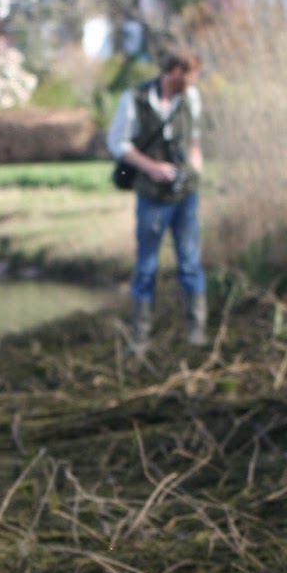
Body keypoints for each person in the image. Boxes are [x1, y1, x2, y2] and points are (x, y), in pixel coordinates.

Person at [107, 49, 207, 351]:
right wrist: (152, 168)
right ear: (176, 71)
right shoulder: (135, 98)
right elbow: (118, 143)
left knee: (190, 263)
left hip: (185, 195)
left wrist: (194, 170)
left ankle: (196, 335)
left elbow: (195, 139)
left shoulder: (191, 98)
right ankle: (140, 339)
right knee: (147, 265)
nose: (195, 80)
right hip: (152, 196)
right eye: (192, 74)